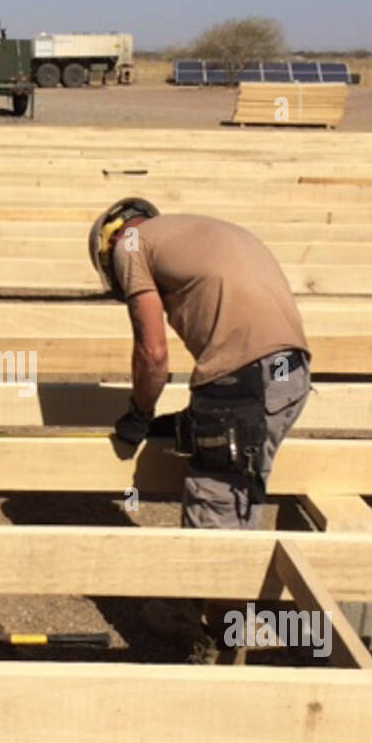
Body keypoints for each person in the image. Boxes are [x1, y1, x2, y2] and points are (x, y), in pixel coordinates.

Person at [88, 198, 312, 656]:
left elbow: (152, 353)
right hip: (290, 375)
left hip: (245, 379)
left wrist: (139, 413)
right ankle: (196, 608)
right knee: (238, 485)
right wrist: (198, 420)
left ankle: (226, 644)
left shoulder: (129, 245)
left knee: (215, 507)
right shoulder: (198, 232)